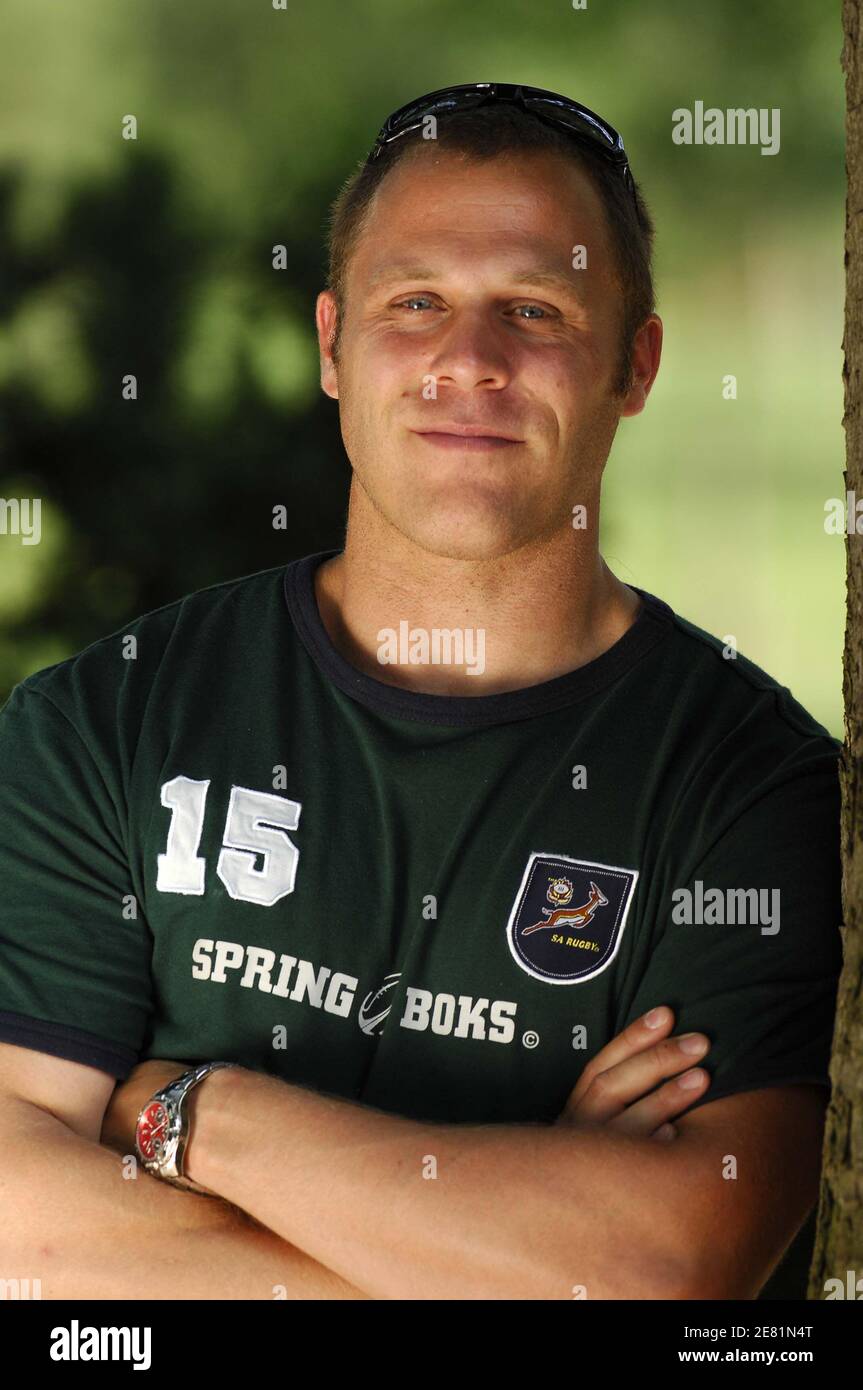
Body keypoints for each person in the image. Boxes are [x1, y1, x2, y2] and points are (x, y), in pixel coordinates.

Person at [0, 83, 842, 1300]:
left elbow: (666, 1268)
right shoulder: (107, 720)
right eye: (416, 303)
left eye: (534, 309)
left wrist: (190, 1115)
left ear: (634, 363)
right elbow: (21, 1237)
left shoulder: (750, 786)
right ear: (333, 344)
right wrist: (491, 1250)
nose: (469, 360)